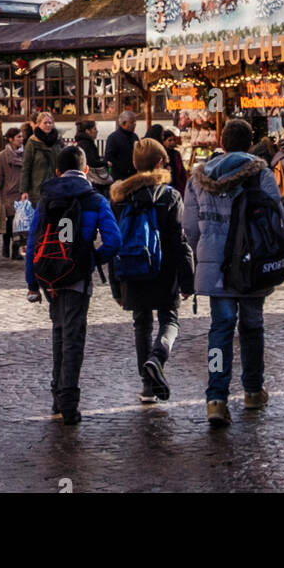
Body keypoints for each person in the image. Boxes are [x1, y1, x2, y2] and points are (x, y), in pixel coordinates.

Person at [182, 117, 282, 428]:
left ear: (221, 142)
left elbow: (188, 227)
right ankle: (252, 390)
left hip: (215, 267)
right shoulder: (261, 174)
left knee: (221, 329)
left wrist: (206, 253)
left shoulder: (197, 178)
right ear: (251, 143)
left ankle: (216, 399)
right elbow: (276, 216)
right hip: (251, 264)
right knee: (252, 326)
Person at [25, 144, 121, 426]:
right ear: (86, 170)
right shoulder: (95, 200)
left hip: (50, 276)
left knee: (59, 330)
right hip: (77, 275)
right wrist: (92, 259)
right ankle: (69, 401)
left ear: (57, 171)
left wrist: (32, 281)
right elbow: (113, 241)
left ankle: (57, 394)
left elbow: (33, 242)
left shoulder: (46, 198)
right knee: (74, 336)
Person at [109, 138, 195, 403]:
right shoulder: (170, 196)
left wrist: (116, 286)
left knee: (141, 323)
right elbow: (180, 242)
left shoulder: (120, 198)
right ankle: (157, 358)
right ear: (159, 163)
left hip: (132, 268)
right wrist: (188, 280)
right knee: (169, 320)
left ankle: (147, 386)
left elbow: (114, 243)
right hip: (164, 271)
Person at [0, 127, 24, 259]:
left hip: (22, 193)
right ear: (11, 139)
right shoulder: (3, 156)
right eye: (18, 137)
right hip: (9, 194)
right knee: (10, 223)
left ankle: (15, 250)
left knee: (20, 224)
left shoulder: (26, 153)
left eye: (22, 136)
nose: (21, 139)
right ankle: (6, 245)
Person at [21, 111, 64, 204]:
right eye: (45, 123)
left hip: (55, 185)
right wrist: (24, 190)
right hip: (38, 188)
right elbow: (26, 167)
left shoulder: (58, 141)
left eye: (50, 122)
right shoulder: (32, 142)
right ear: (38, 124)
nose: (48, 125)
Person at [75, 121, 111, 199]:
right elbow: (91, 161)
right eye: (94, 129)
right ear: (87, 131)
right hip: (92, 179)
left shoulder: (83, 142)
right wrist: (105, 163)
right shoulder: (87, 144)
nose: (97, 131)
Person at [105, 110, 138, 181]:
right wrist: (123, 166)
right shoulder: (113, 138)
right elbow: (109, 157)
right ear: (124, 123)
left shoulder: (134, 136)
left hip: (134, 174)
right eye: (132, 122)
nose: (135, 124)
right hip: (120, 176)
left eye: (135, 122)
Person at [162, 125, 187, 197]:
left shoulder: (176, 154)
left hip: (178, 187)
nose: (172, 142)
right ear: (163, 141)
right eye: (169, 140)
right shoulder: (162, 154)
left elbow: (182, 170)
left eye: (173, 140)